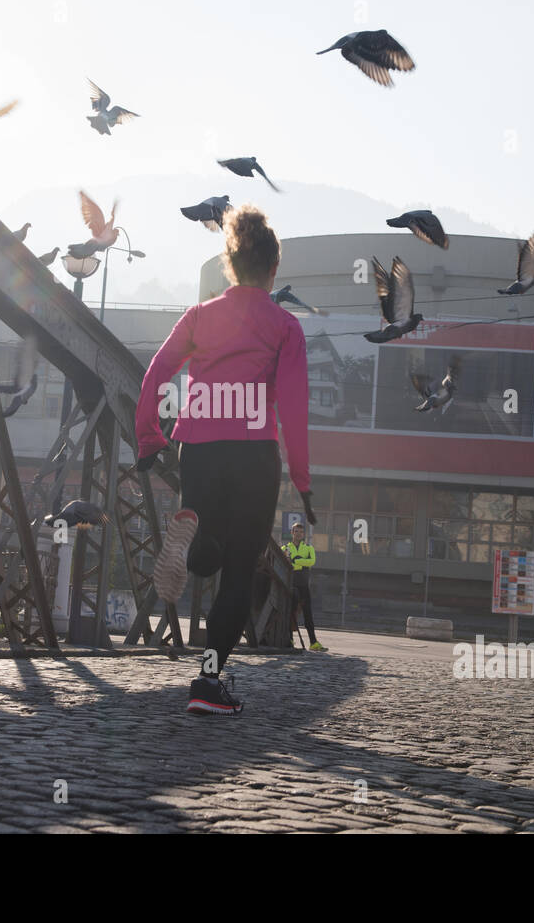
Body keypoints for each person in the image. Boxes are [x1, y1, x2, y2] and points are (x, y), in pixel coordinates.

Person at [136, 204, 312, 716]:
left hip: (201, 448)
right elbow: (295, 410)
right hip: (254, 454)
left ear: (228, 264)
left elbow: (155, 375)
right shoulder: (285, 327)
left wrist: (150, 438)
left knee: (210, 535)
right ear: (274, 269)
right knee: (240, 574)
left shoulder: (199, 316)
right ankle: (208, 681)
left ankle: (197, 544)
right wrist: (302, 478)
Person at [283, 521, 326, 652]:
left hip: (303, 584)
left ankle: (313, 642)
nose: (299, 534)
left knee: (308, 613)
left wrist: (295, 560)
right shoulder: (285, 548)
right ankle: (289, 639)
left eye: (301, 532)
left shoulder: (309, 548)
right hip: (290, 584)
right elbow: (284, 563)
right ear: (292, 533)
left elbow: (311, 562)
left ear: (304, 534)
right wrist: (302, 562)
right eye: (296, 531)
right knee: (290, 612)